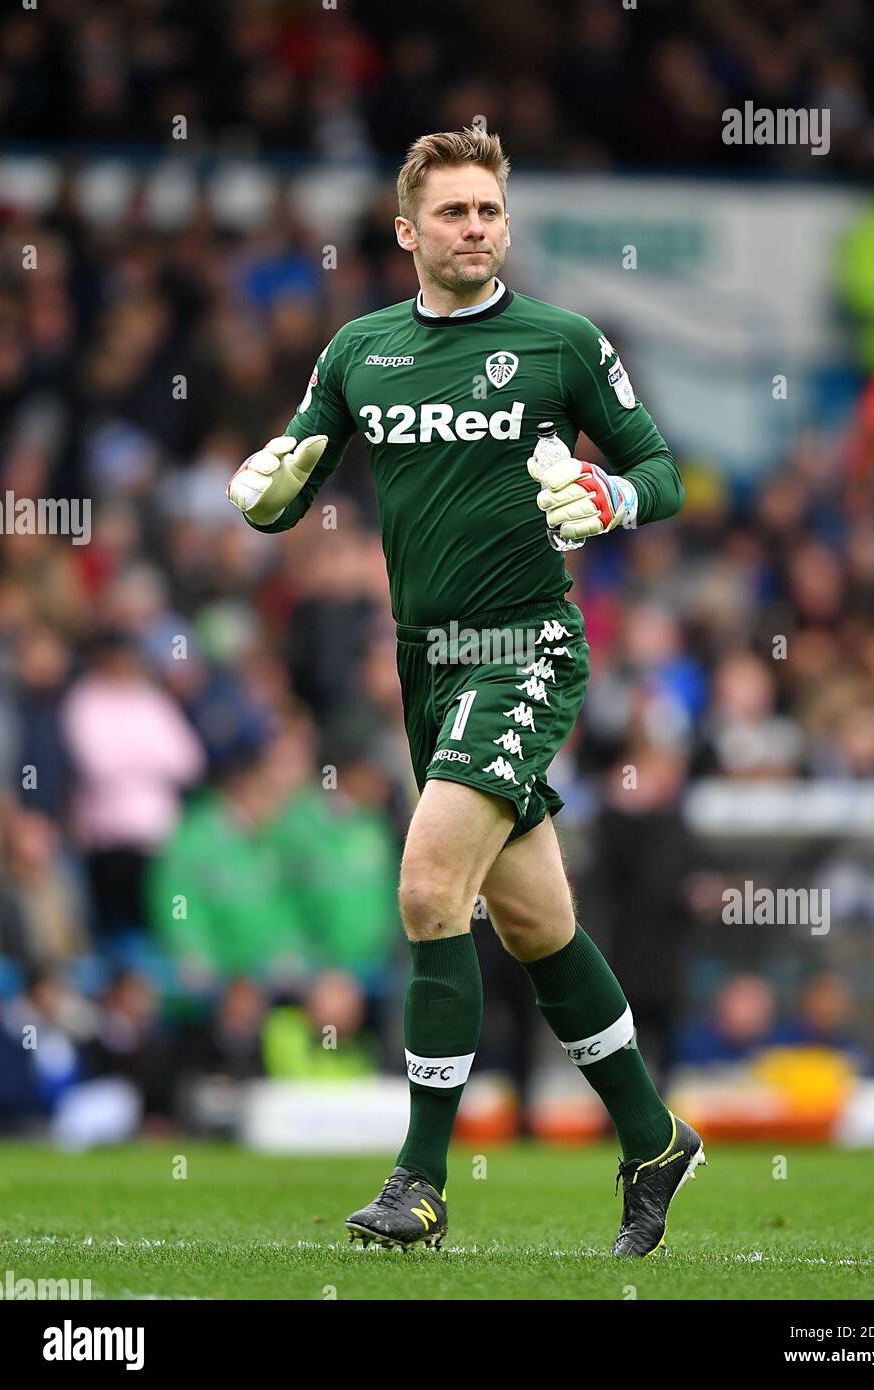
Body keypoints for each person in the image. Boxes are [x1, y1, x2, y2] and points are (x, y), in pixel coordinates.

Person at [226, 127, 697, 1258]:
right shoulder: (359, 351)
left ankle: (420, 1182)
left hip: (524, 647)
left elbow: (663, 472)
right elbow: (292, 478)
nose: (475, 227)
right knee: (536, 923)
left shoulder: (561, 341)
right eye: (453, 212)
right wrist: (265, 498)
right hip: (424, 662)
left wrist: (611, 498)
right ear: (407, 231)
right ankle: (654, 1139)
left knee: (431, 889)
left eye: (488, 210)